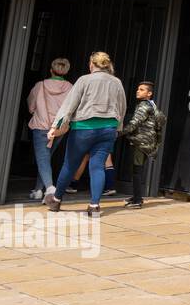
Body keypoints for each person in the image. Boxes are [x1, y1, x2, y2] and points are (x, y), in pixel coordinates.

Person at [43, 52, 127, 218]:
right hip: (108, 129)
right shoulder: (117, 82)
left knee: (70, 165)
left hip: (83, 128)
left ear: (91, 64)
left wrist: (55, 126)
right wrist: (118, 128)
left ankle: (57, 200)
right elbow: (122, 107)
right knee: (97, 167)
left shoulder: (84, 80)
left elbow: (69, 105)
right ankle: (94, 206)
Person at [25, 58, 73, 201]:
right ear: (66, 72)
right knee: (45, 159)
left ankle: (50, 190)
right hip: (60, 128)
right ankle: (39, 190)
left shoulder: (40, 85)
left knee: (43, 159)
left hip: (41, 126)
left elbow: (31, 106)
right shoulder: (71, 87)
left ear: (51, 70)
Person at [121, 81, 165, 209]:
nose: (138, 91)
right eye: (138, 89)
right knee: (137, 170)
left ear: (149, 93)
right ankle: (136, 196)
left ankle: (138, 200)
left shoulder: (143, 106)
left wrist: (118, 133)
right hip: (148, 143)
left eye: (141, 89)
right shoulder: (152, 105)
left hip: (140, 142)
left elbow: (134, 123)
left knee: (136, 171)